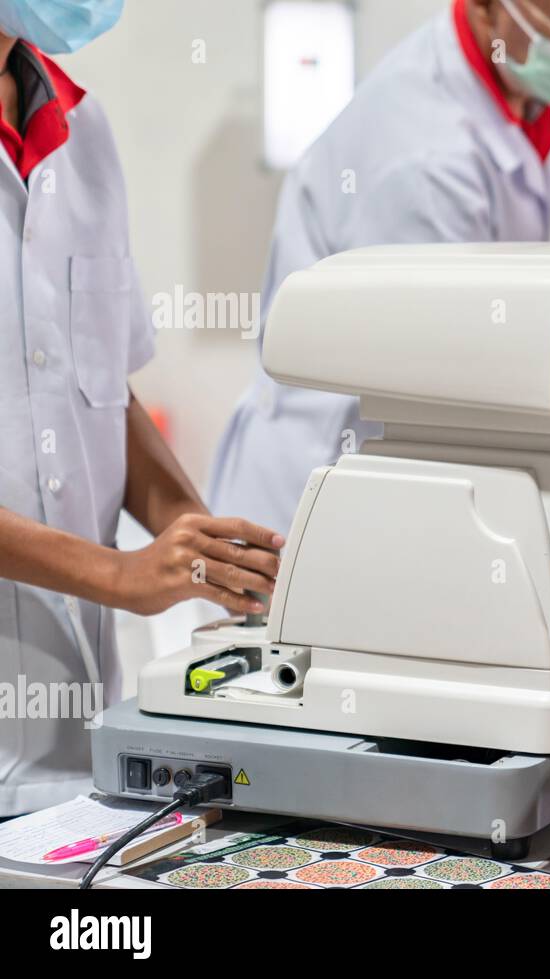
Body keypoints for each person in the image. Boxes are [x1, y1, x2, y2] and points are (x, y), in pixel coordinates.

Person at [207, 0, 550, 538]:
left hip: (405, 476)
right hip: (328, 488)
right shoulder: (425, 159)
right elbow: (457, 382)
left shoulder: (518, 91)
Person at [0, 1, 281, 817]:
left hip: (75, 732)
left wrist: (202, 544)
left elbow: (101, 387)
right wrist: (118, 574)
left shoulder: (82, 132)